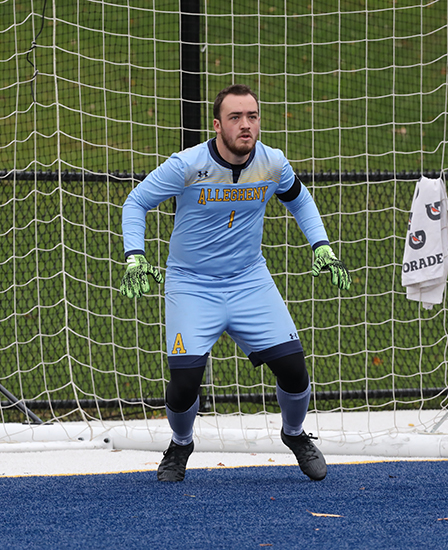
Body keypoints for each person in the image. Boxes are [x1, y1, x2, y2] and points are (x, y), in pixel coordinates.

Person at [119, 84, 351, 482]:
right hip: (192, 285)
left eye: (252, 116)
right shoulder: (186, 165)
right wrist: (135, 254)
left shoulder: (273, 163)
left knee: (295, 371)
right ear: (217, 125)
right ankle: (180, 444)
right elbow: (135, 202)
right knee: (184, 383)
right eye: (235, 117)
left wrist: (322, 245)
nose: (246, 125)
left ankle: (295, 436)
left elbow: (300, 199)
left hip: (249, 282)